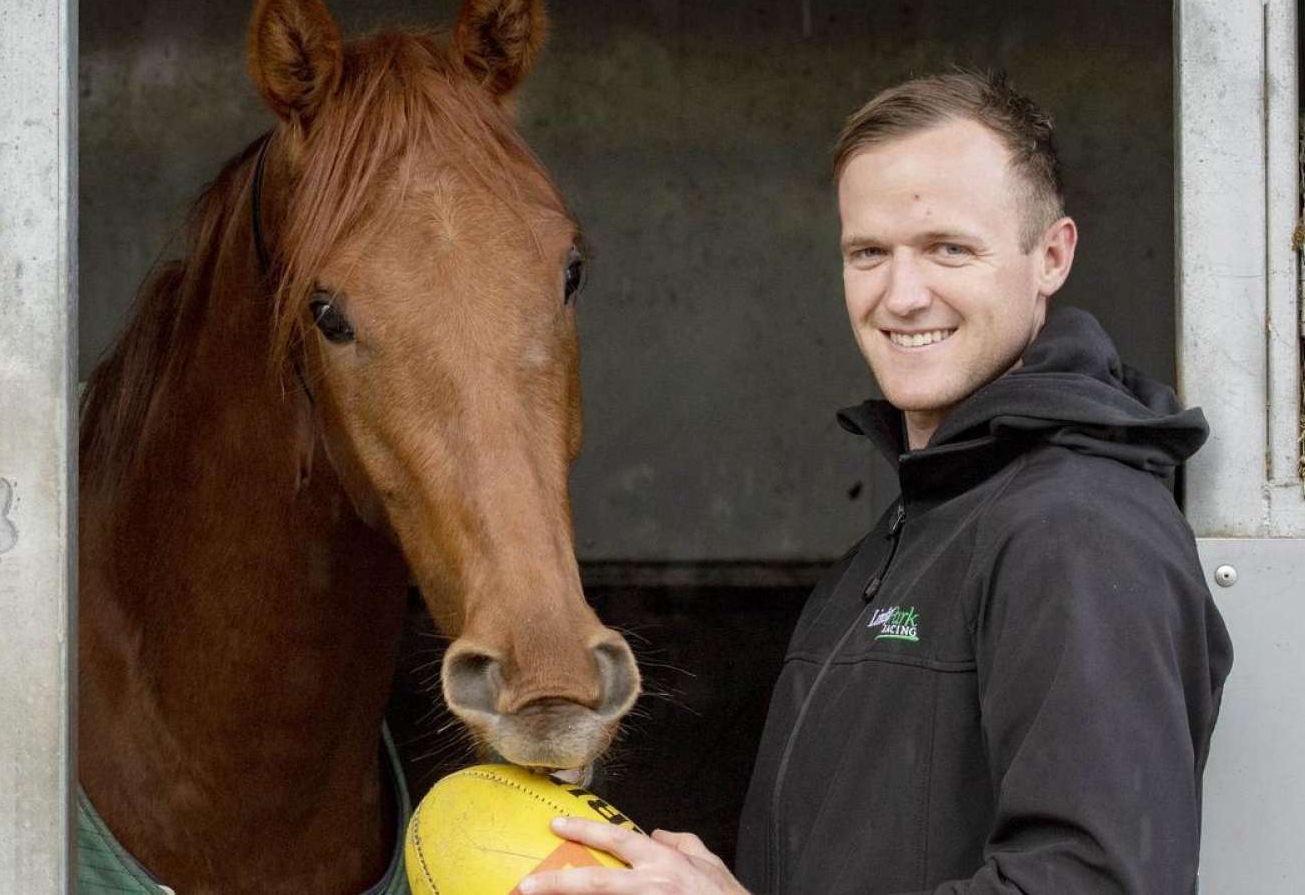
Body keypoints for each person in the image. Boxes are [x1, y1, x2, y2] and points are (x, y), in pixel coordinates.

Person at [518, 70, 1232, 895]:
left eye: (948, 249)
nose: (902, 295)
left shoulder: (1077, 527)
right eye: (869, 253)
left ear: (1052, 257)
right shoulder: (913, 529)